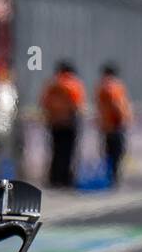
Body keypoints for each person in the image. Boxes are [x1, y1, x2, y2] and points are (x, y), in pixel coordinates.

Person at [40, 60, 86, 188]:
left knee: (55, 151)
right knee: (69, 152)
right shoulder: (73, 84)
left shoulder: (51, 84)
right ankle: (66, 180)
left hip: (54, 122)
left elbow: (44, 103)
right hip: (69, 123)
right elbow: (76, 105)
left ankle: (54, 179)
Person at [96, 62, 133, 186]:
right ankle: (113, 178)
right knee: (117, 152)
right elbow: (116, 104)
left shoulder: (101, 87)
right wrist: (122, 119)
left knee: (108, 152)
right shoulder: (113, 86)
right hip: (115, 124)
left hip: (106, 125)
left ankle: (110, 176)